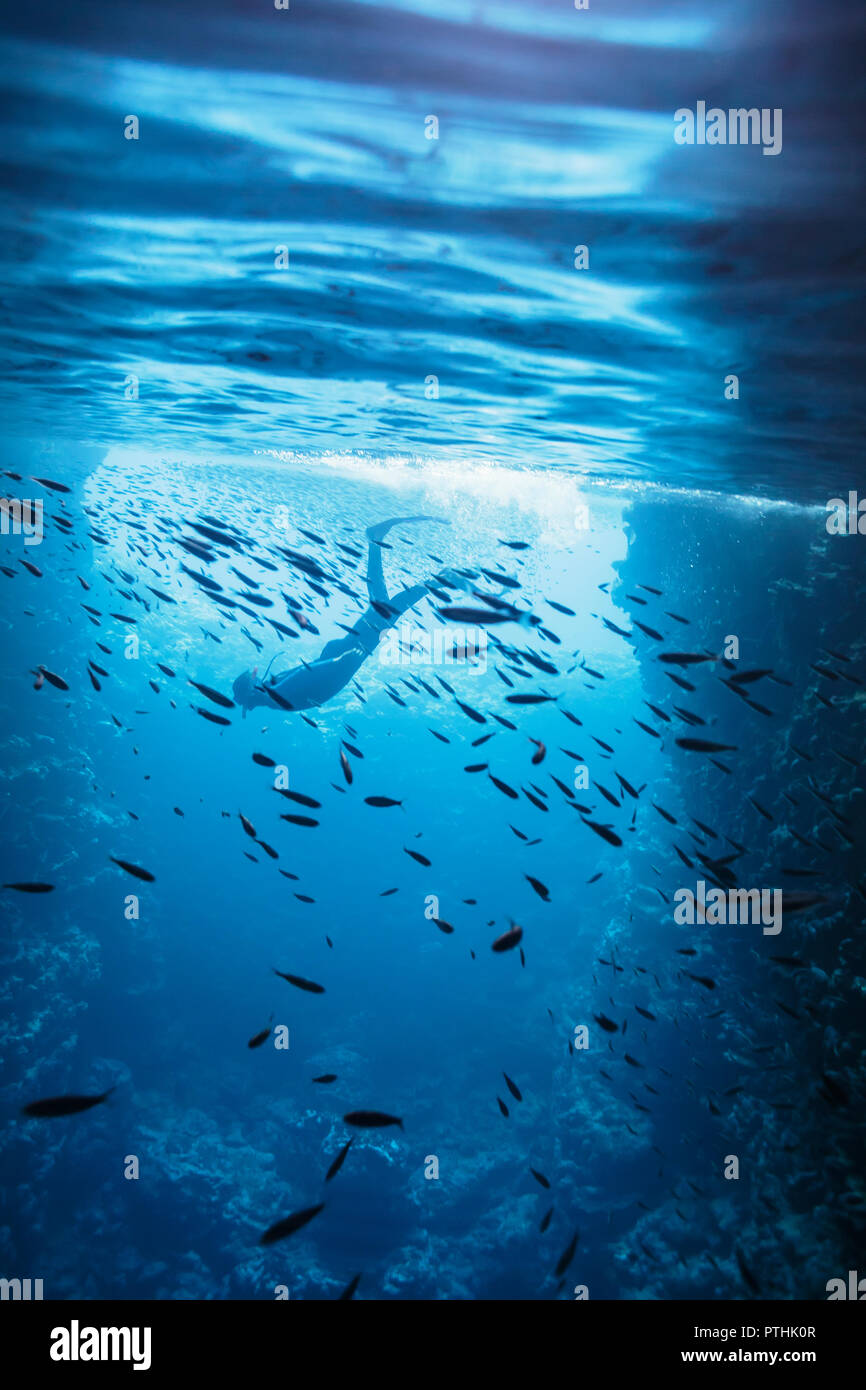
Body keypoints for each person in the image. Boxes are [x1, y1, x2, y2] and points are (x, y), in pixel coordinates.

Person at [232, 516, 448, 715]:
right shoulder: (275, 695)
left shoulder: (274, 695)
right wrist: (338, 660)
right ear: (252, 691)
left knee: (387, 610)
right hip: (341, 657)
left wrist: (340, 660)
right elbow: (304, 676)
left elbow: (306, 676)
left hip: (346, 655)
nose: (257, 676)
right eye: (253, 679)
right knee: (382, 605)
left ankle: (432, 577)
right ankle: (376, 541)